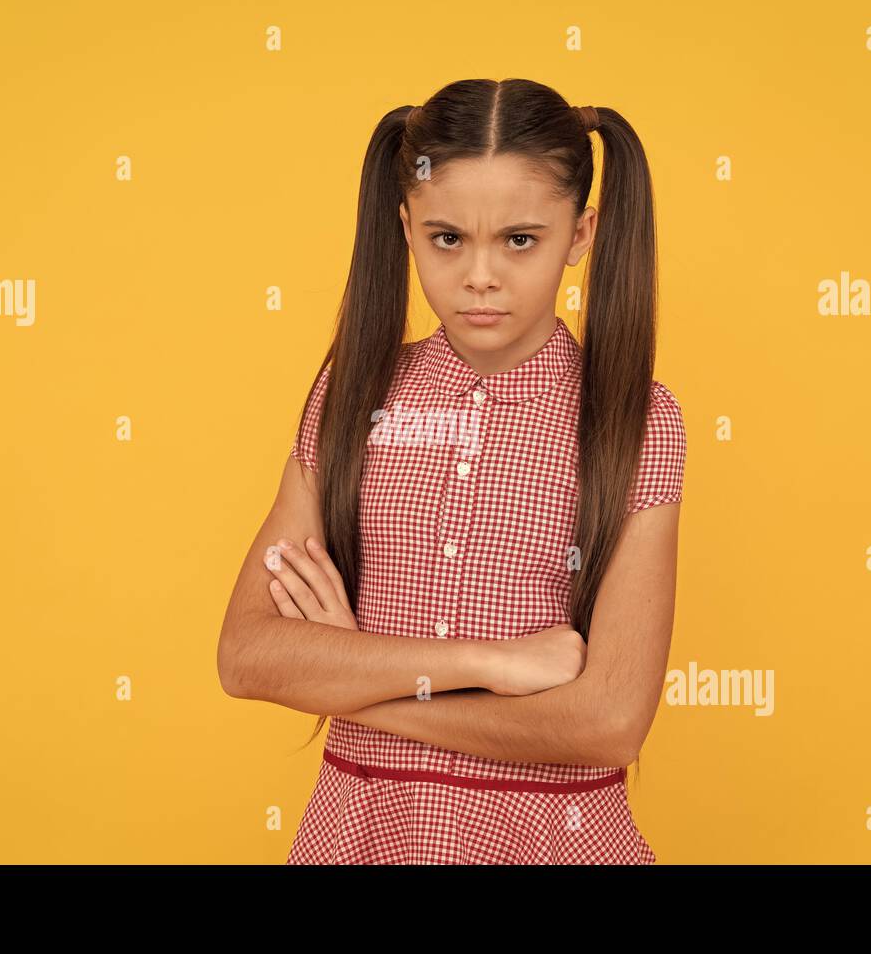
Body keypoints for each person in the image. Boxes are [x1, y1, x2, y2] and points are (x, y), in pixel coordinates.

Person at [218, 77, 686, 864]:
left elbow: (606, 723)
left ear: (580, 234)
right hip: (361, 838)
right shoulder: (350, 399)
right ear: (406, 228)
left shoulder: (637, 421)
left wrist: (356, 672)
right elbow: (248, 656)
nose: (479, 276)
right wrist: (489, 665)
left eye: (520, 240)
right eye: (447, 239)